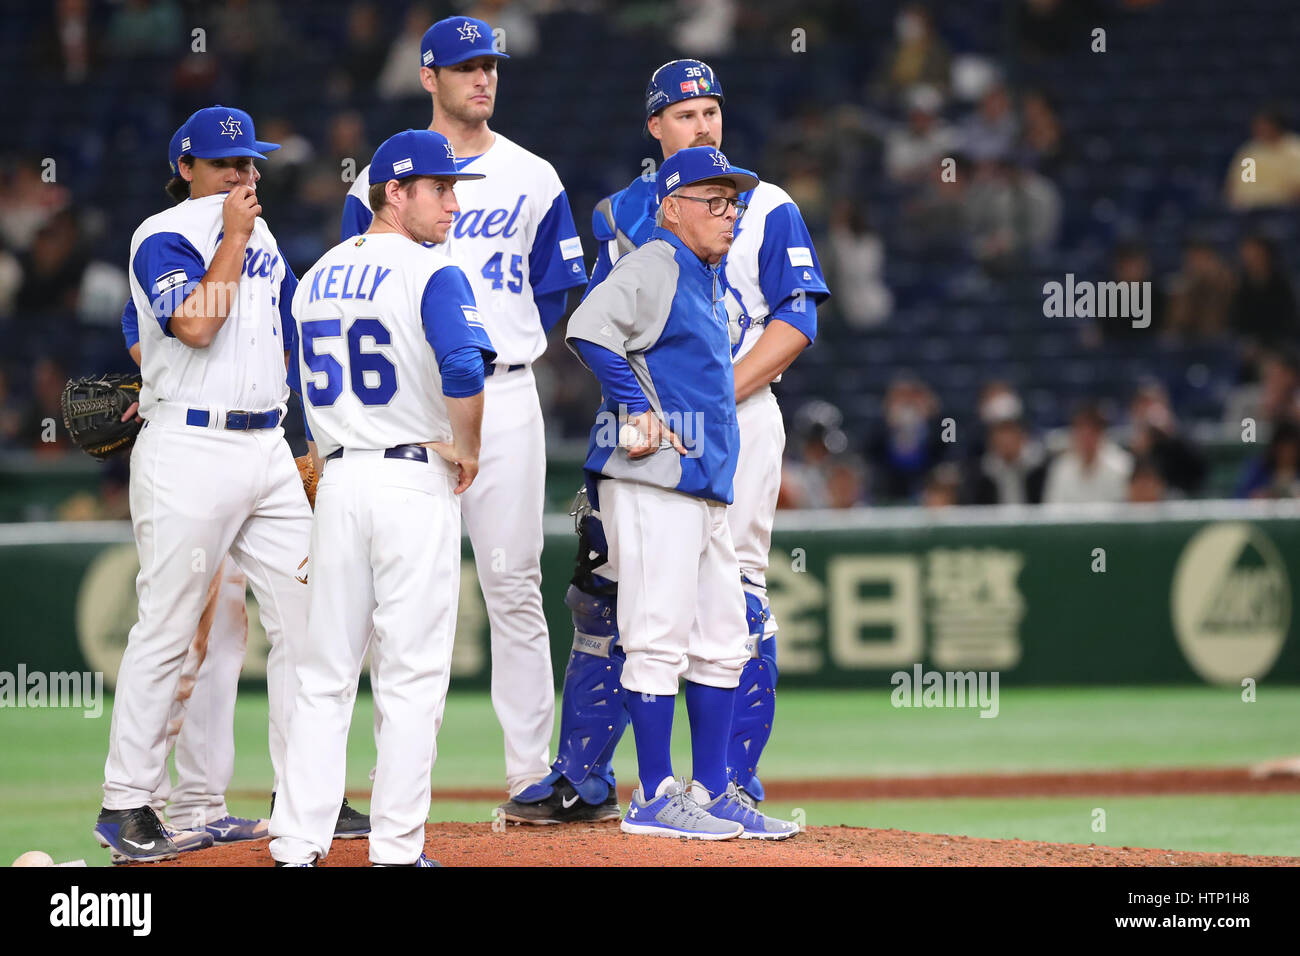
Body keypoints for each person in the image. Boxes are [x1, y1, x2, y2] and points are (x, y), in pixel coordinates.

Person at [500, 59, 827, 826]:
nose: (703, 123)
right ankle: (591, 780)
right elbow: (610, 325)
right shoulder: (623, 213)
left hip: (733, 420)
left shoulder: (765, 202)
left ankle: (729, 786)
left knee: (733, 597)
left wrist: (710, 400)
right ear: (655, 127)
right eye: (685, 114)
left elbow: (796, 322)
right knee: (610, 595)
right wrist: (647, 412)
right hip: (654, 428)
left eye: (712, 110)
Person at [340, 15, 588, 799]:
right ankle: (392, 779)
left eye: (491, 66)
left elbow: (557, 292)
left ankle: (528, 777)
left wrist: (499, 349)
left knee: (514, 584)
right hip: (408, 410)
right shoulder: (379, 177)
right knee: (401, 595)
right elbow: (356, 288)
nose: (483, 78)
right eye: (466, 66)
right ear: (429, 77)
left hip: (507, 391)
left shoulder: (534, 175)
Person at [110, 125, 369, 851]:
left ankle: (308, 793)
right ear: (186, 167)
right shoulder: (163, 235)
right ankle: (126, 804)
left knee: (313, 619)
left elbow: (295, 337)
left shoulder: (266, 238)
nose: (243, 175)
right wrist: (231, 237)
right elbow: (192, 325)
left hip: (266, 448)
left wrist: (317, 432)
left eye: (251, 163)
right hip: (190, 447)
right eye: (226, 164)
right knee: (168, 628)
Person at [269, 129, 493, 868]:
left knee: (324, 674)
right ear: (393, 192)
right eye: (440, 188)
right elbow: (463, 365)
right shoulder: (432, 272)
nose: (454, 203)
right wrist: (469, 448)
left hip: (339, 481)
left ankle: (297, 842)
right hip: (409, 477)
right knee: (410, 677)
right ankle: (395, 850)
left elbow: (297, 385)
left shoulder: (316, 275)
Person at [564, 145, 798, 840]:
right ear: (672, 208)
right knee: (656, 637)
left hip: (701, 490)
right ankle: (655, 794)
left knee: (724, 637)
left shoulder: (701, 275)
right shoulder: (655, 264)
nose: (731, 215)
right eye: (715, 202)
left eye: (735, 202)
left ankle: (714, 788)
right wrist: (635, 406)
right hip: (652, 484)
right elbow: (586, 327)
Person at [1041, 402, 1133, 504]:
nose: (1085, 438)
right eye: (1080, 431)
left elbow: (1123, 509)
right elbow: (1052, 510)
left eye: (1091, 432)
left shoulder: (1121, 466)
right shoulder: (1060, 468)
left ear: (1101, 434)